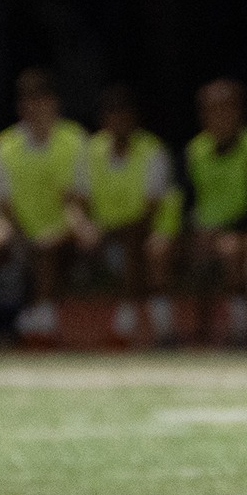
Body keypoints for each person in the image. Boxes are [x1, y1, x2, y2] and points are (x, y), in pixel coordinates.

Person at [0, 69, 88, 344]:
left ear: (54, 104)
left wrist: (58, 232)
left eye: (41, 101)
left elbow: (78, 203)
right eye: (28, 102)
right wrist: (20, 235)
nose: (35, 109)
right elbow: (2, 206)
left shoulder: (74, 140)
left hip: (63, 229)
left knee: (47, 244)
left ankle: (41, 324)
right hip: (20, 228)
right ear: (21, 107)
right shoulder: (3, 146)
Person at [75, 85, 178, 346]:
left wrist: (111, 235)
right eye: (113, 115)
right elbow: (79, 202)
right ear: (104, 120)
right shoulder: (90, 151)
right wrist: (85, 228)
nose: (119, 121)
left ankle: (150, 330)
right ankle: (42, 328)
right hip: (106, 233)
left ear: (134, 119)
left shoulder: (153, 150)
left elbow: (150, 213)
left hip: (152, 230)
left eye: (124, 115)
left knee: (145, 249)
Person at [184, 79, 247, 345]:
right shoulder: (195, 150)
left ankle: (240, 330)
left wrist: (227, 231)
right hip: (206, 231)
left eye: (226, 108)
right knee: (194, 250)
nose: (219, 116)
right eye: (212, 109)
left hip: (246, 229)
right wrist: (196, 229)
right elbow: (187, 200)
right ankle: (201, 333)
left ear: (239, 112)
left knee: (230, 249)